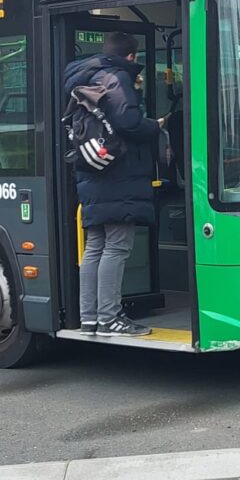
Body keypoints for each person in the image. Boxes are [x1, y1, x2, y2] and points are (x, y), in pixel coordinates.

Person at [64, 32, 163, 337]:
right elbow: (128, 123)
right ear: (131, 56)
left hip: (92, 170)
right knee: (117, 246)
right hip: (118, 176)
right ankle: (110, 317)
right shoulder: (116, 77)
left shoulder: (83, 76)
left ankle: (90, 317)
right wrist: (154, 126)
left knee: (95, 246)